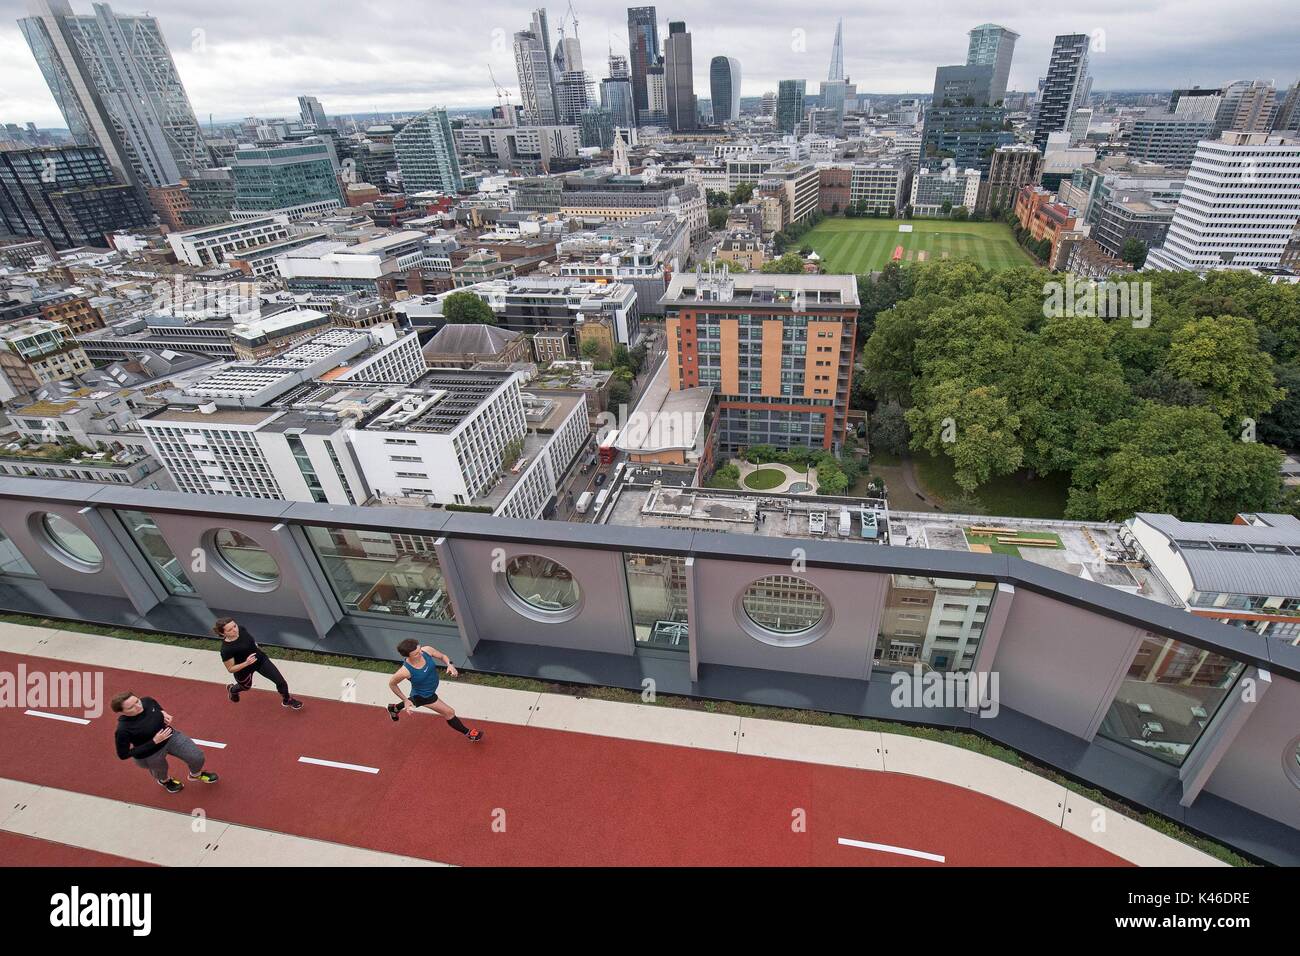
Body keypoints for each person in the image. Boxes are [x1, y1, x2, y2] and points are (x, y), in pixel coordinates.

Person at [112, 691, 218, 793]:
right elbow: (123, 754)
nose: (139, 706)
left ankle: (196, 774)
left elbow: (153, 703)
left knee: (197, 756)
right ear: (122, 712)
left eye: (137, 701)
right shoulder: (123, 730)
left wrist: (163, 712)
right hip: (150, 753)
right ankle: (165, 781)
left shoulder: (146, 701)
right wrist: (154, 741)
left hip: (170, 737)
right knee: (161, 771)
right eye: (131, 707)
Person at [387, 639, 482, 741]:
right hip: (425, 696)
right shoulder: (404, 671)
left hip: (427, 691)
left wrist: (450, 664)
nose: (421, 653)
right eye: (416, 654)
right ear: (407, 656)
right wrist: (405, 700)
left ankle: (394, 708)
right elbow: (392, 684)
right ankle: (469, 734)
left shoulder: (427, 650)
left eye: (420, 650)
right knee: (449, 712)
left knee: (414, 700)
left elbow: (442, 656)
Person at [214, 617, 302, 710]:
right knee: (245, 687)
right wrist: (246, 663)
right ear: (223, 633)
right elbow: (230, 669)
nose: (235, 630)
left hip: (260, 660)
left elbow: (250, 639)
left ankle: (287, 700)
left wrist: (255, 645)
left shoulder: (241, 629)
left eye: (234, 626)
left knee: (280, 681)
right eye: (230, 630)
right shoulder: (226, 650)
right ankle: (232, 690)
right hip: (244, 670)